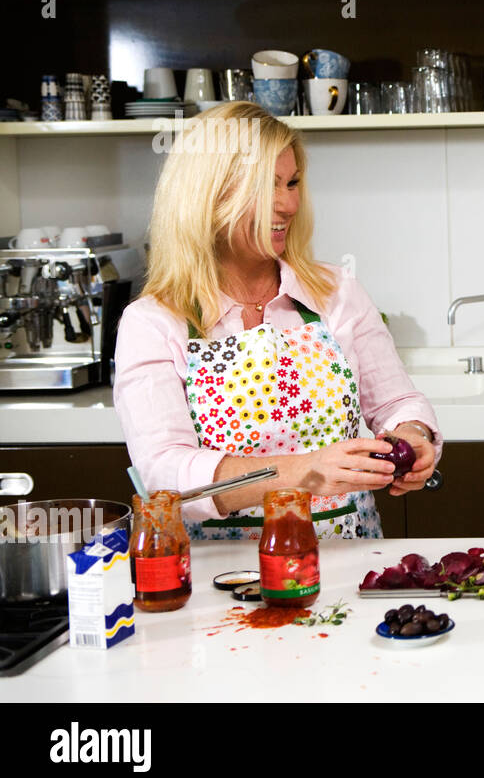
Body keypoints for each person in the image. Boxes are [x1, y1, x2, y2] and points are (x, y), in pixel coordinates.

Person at [114, 102, 442, 539]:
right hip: (224, 582)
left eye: (292, 183)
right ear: (208, 196)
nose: (288, 204)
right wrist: (301, 472)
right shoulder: (153, 322)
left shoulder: (335, 292)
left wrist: (414, 433)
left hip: (348, 563)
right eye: (267, 187)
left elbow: (395, 402)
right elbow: (164, 475)